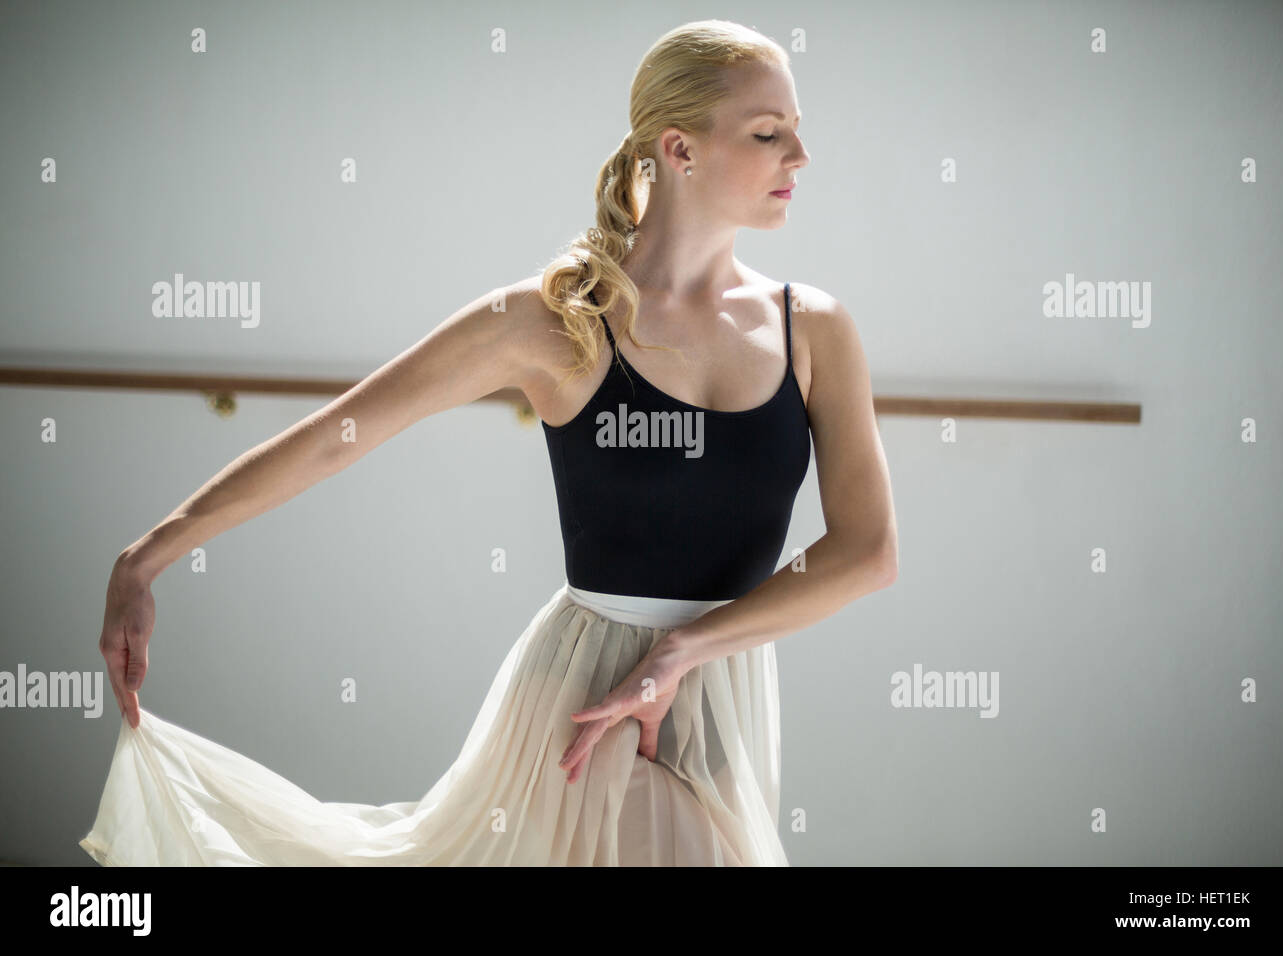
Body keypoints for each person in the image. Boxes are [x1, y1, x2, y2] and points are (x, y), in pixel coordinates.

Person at [80, 18, 898, 866]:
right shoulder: (553, 322)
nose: (800, 157)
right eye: (771, 134)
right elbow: (338, 436)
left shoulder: (815, 329)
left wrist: (689, 649)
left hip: (723, 691)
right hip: (586, 695)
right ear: (679, 150)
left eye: (797, 130)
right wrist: (146, 557)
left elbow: (868, 552)